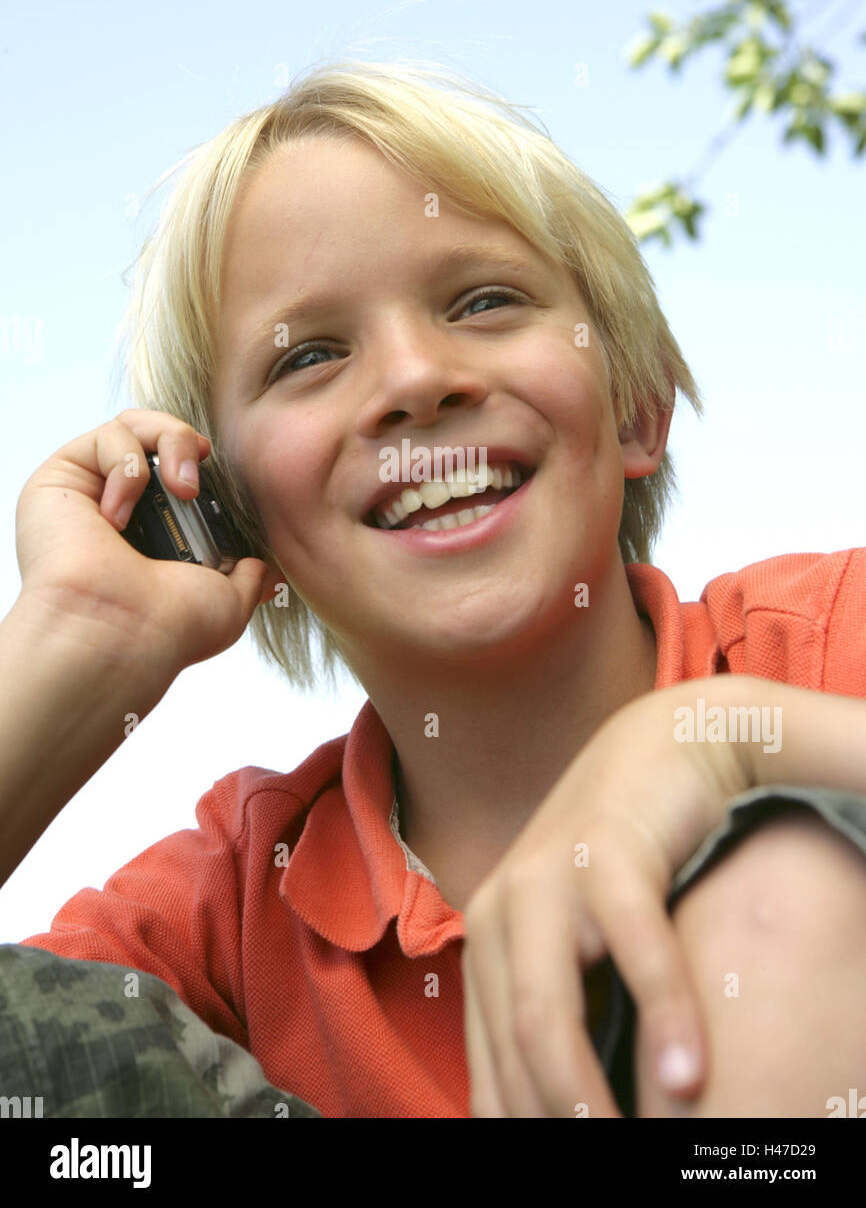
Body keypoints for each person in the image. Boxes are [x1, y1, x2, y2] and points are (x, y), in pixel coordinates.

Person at [3, 59, 866, 1119]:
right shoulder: (226, 911)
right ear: (231, 516)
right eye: (308, 355)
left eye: (484, 300)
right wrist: (68, 644)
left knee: (778, 891)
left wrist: (713, 742)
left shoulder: (832, 636)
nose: (414, 381)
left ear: (634, 405)